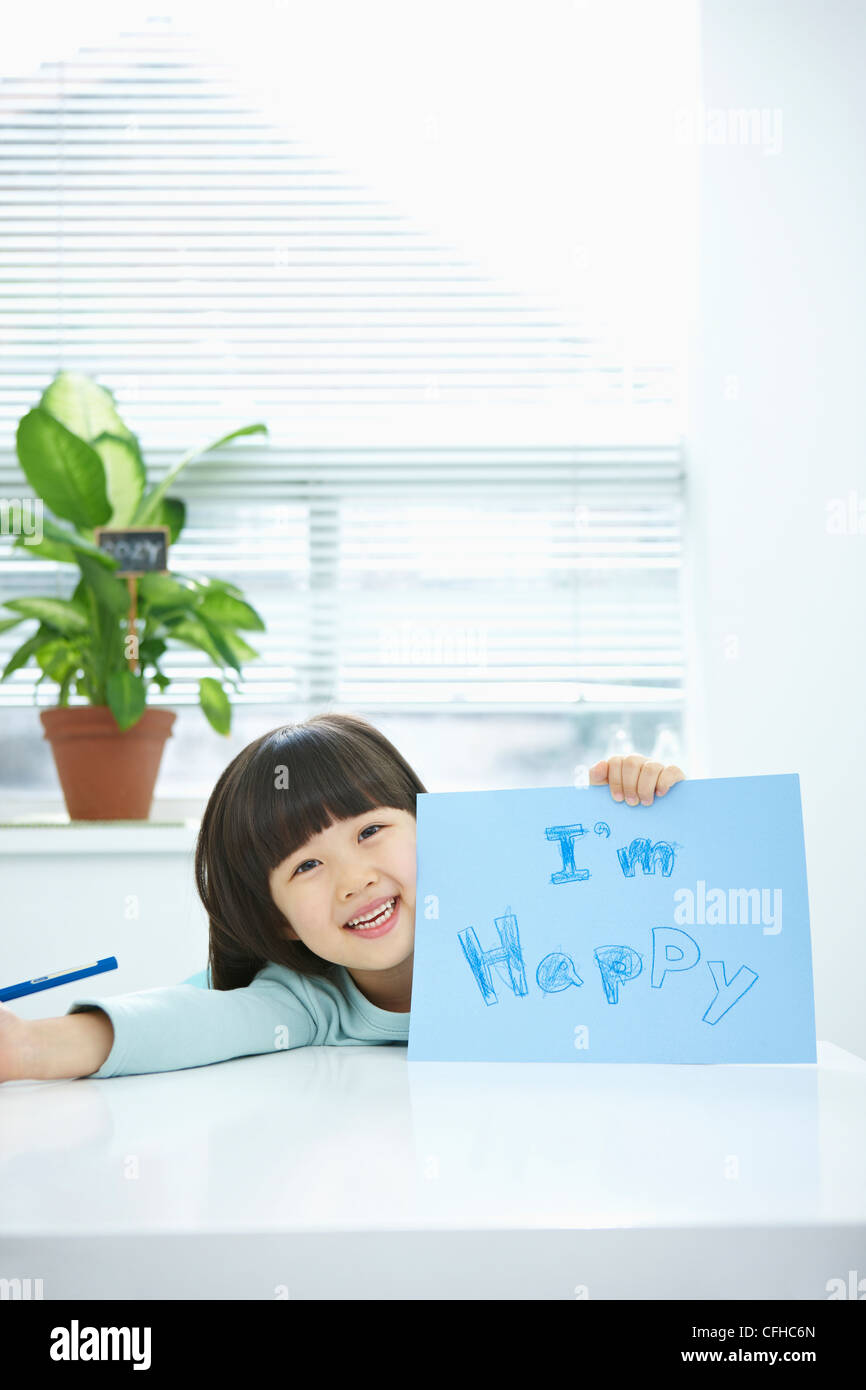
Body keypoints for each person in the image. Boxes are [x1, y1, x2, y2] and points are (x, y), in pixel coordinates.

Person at [0, 713, 684, 1082]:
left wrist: (639, 801)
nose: (353, 878)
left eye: (373, 830)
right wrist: (28, 1048)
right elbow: (190, 1020)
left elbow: (655, 920)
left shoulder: (522, 911)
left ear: (431, 826)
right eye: (305, 867)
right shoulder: (308, 1001)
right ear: (277, 922)